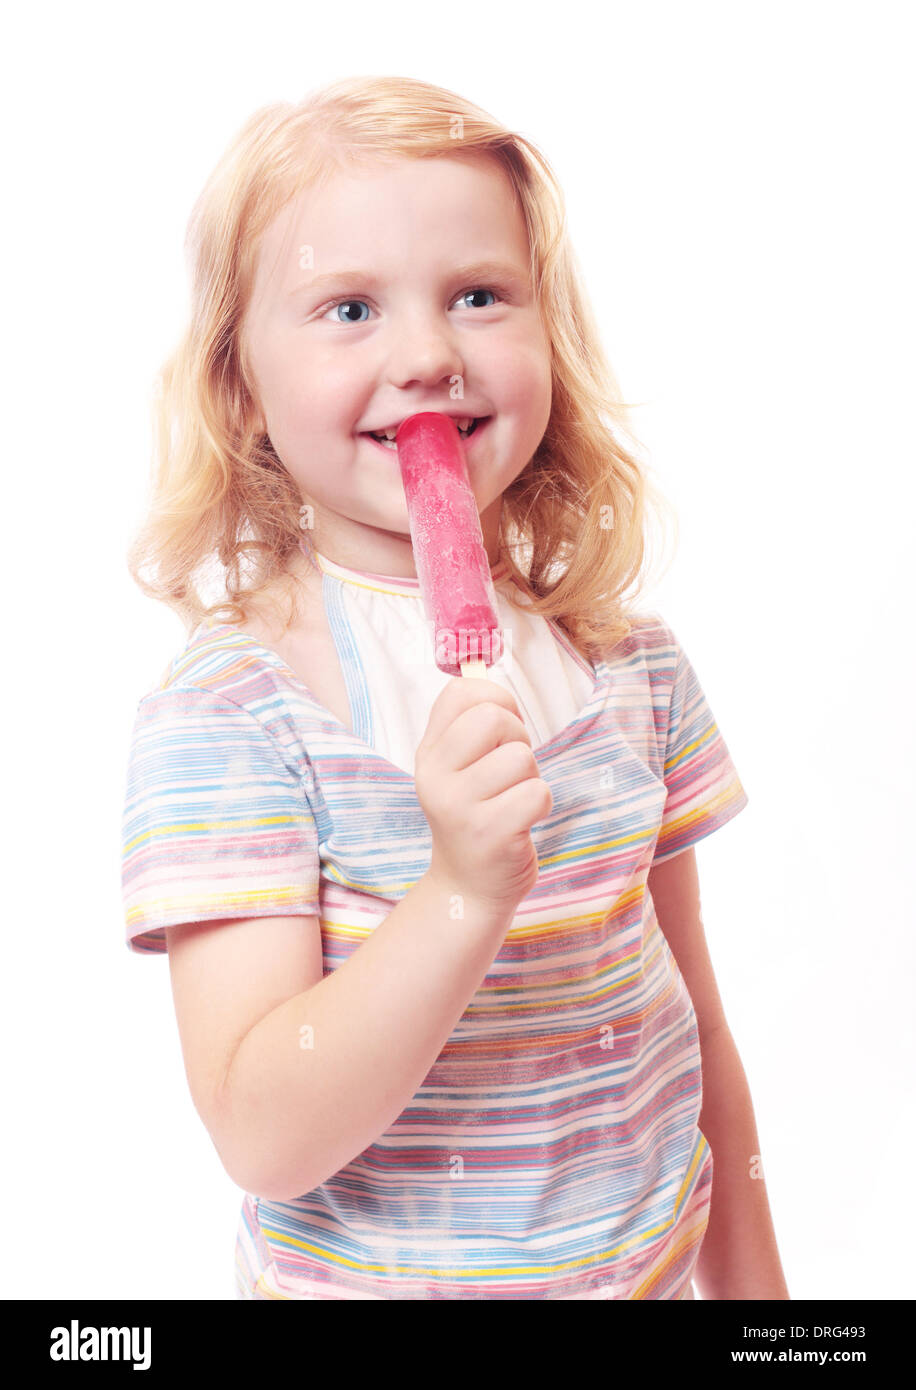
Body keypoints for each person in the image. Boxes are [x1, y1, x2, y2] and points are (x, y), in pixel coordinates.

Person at [120, 75, 789, 1301]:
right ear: (239, 386)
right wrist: (459, 890)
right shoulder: (229, 723)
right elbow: (263, 1134)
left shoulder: (624, 662)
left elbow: (695, 1025)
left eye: (478, 295)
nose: (427, 354)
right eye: (348, 308)